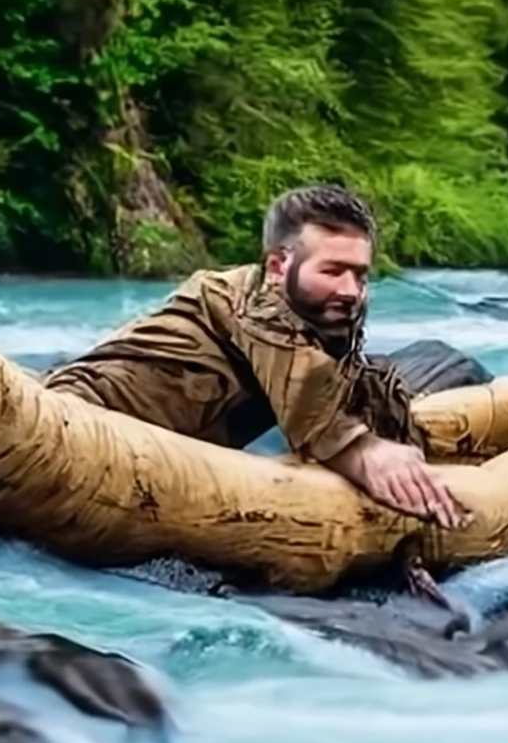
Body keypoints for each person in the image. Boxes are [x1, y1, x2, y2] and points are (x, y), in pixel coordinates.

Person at [45, 183, 471, 534]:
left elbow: (343, 386)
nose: (349, 290)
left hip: (158, 449)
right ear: (276, 267)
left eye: (359, 275)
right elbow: (304, 389)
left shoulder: (318, 324)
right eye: (332, 271)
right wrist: (364, 451)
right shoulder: (248, 303)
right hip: (76, 424)